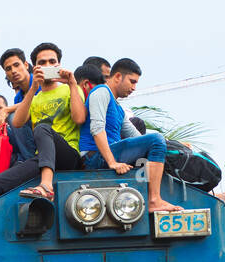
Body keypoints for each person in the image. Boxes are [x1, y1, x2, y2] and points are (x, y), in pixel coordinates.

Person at [78, 58, 181, 213]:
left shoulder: (118, 109)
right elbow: (97, 129)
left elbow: (136, 136)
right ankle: (154, 200)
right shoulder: (101, 92)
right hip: (93, 157)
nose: (134, 88)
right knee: (156, 140)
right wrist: (112, 162)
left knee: (161, 143)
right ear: (118, 76)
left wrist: (172, 143)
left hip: (109, 154)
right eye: (132, 82)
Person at [10, 42, 84, 202]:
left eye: (52, 62)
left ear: (59, 64)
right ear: (34, 67)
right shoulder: (35, 98)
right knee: (1, 181)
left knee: (42, 128)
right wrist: (33, 86)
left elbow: (79, 119)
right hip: (43, 158)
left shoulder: (70, 89)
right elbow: (16, 122)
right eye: (42, 63)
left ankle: (46, 186)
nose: (48, 65)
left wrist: (72, 83)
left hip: (69, 156)